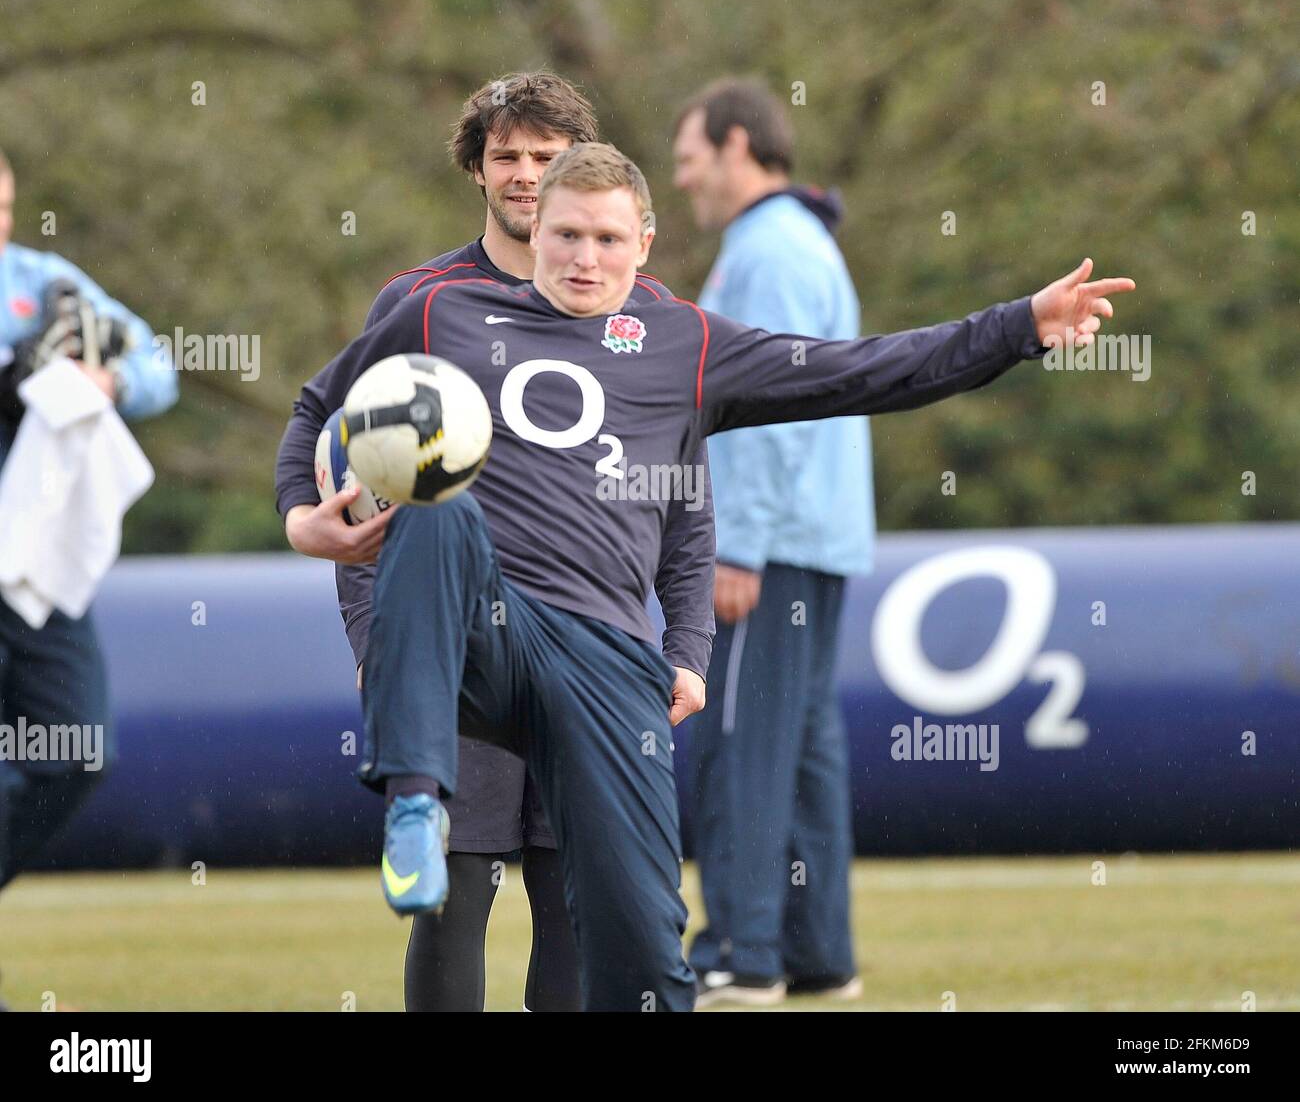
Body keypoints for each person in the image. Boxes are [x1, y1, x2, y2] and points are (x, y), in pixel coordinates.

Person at [274, 141, 1135, 1010]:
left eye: (609, 239)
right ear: (534, 234)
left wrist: (1018, 327)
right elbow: (321, 407)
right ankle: (415, 801)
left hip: (609, 666)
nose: (585, 258)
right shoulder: (439, 316)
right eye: (567, 235)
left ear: (644, 242)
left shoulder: (684, 339)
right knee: (438, 502)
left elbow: (863, 372)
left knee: (645, 960)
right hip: (487, 639)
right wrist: (302, 520)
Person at [278, 74, 714, 1011]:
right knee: (456, 883)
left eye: (546, 158)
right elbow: (353, 463)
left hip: (592, 656)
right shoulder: (424, 302)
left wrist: (685, 647)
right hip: (465, 655)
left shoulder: (647, 315)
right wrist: (381, 649)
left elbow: (684, 505)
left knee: (572, 894)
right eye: (507, 155)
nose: (525, 175)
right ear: (477, 167)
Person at [671, 79, 871, 1006]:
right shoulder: (797, 241)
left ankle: (742, 954)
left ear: (739, 145)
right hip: (815, 534)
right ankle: (815, 951)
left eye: (689, 160)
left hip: (773, 540)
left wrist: (737, 544)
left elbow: (775, 406)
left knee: (742, 737)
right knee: (800, 746)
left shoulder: (768, 252)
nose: (684, 183)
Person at [0, 147, 178, 1004]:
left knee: (77, 747)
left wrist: (102, 378)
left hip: (27, 562)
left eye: (1, 209)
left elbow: (157, 370)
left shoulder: (43, 278)